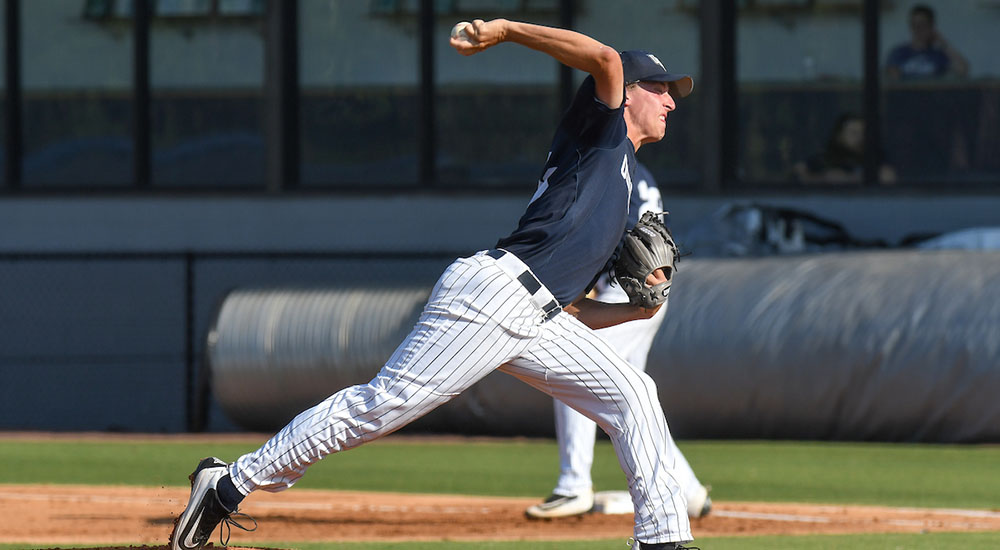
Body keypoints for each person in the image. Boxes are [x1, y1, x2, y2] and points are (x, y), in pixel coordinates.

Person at [171, 18, 698, 550]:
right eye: (658, 88)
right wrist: (507, 30)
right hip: (493, 296)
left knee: (633, 394)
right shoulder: (600, 132)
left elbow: (571, 309)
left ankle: (663, 540)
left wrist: (633, 312)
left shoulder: (624, 179)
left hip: (536, 314)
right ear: (626, 94)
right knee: (379, 407)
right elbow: (604, 58)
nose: (670, 101)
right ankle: (229, 484)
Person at [525, 163, 712, 521]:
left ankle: (573, 484)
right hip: (648, 286)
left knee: (569, 366)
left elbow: (596, 232)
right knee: (632, 396)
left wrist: (583, 282)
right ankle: (686, 489)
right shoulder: (638, 170)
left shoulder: (609, 165)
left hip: (625, 289)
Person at [792, 113, 896, 185]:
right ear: (839, 136)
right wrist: (824, 179)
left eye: (864, 133)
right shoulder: (825, 158)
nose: (860, 137)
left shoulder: (875, 156)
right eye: (854, 133)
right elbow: (799, 174)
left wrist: (847, 179)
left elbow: (888, 177)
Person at [885, 4, 969, 81]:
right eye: (913, 25)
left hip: (932, 95)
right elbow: (893, 80)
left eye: (922, 24)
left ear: (931, 26)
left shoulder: (938, 54)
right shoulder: (899, 52)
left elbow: (963, 69)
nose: (917, 29)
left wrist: (942, 43)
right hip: (906, 95)